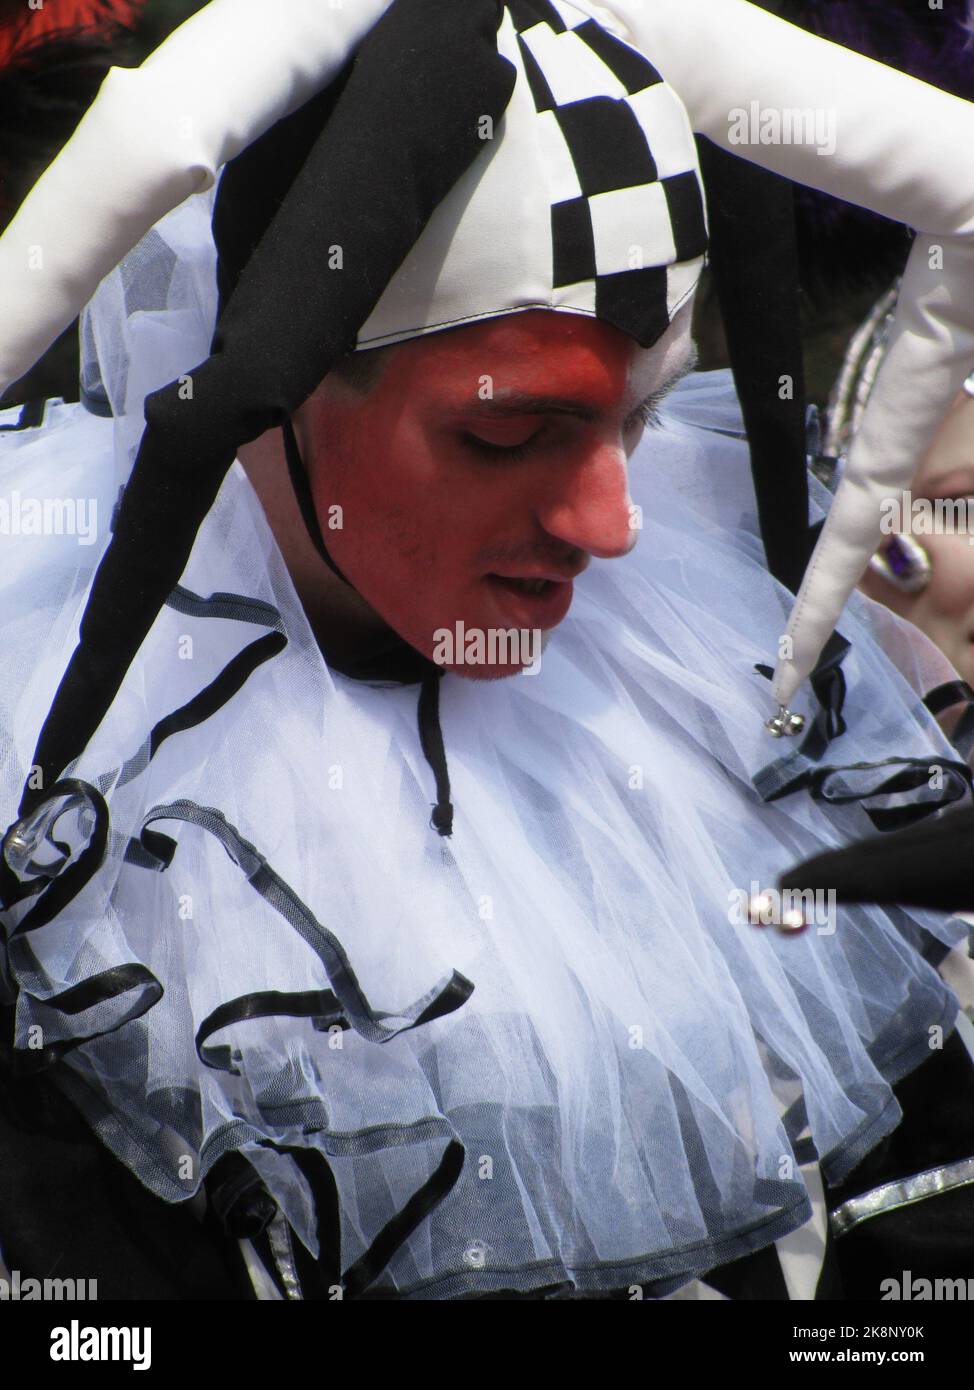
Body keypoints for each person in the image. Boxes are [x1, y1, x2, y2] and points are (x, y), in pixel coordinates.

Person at [1, 0, 974, 1302]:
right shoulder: (51, 766)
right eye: (510, 434)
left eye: (634, 421)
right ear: (273, 386)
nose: (608, 526)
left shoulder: (709, 671)